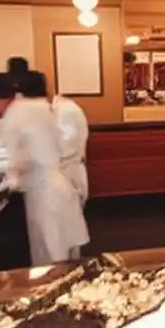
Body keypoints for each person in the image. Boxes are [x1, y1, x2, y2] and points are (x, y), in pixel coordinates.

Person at [0, 77, 89, 265]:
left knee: (51, 249)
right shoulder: (42, 110)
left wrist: (11, 178)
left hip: (52, 186)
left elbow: (27, 156)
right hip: (56, 184)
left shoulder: (29, 111)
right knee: (60, 245)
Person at [53, 93, 91, 247]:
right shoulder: (61, 109)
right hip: (69, 170)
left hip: (69, 171)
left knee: (68, 228)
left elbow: (66, 146)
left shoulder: (65, 112)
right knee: (69, 226)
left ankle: (70, 264)